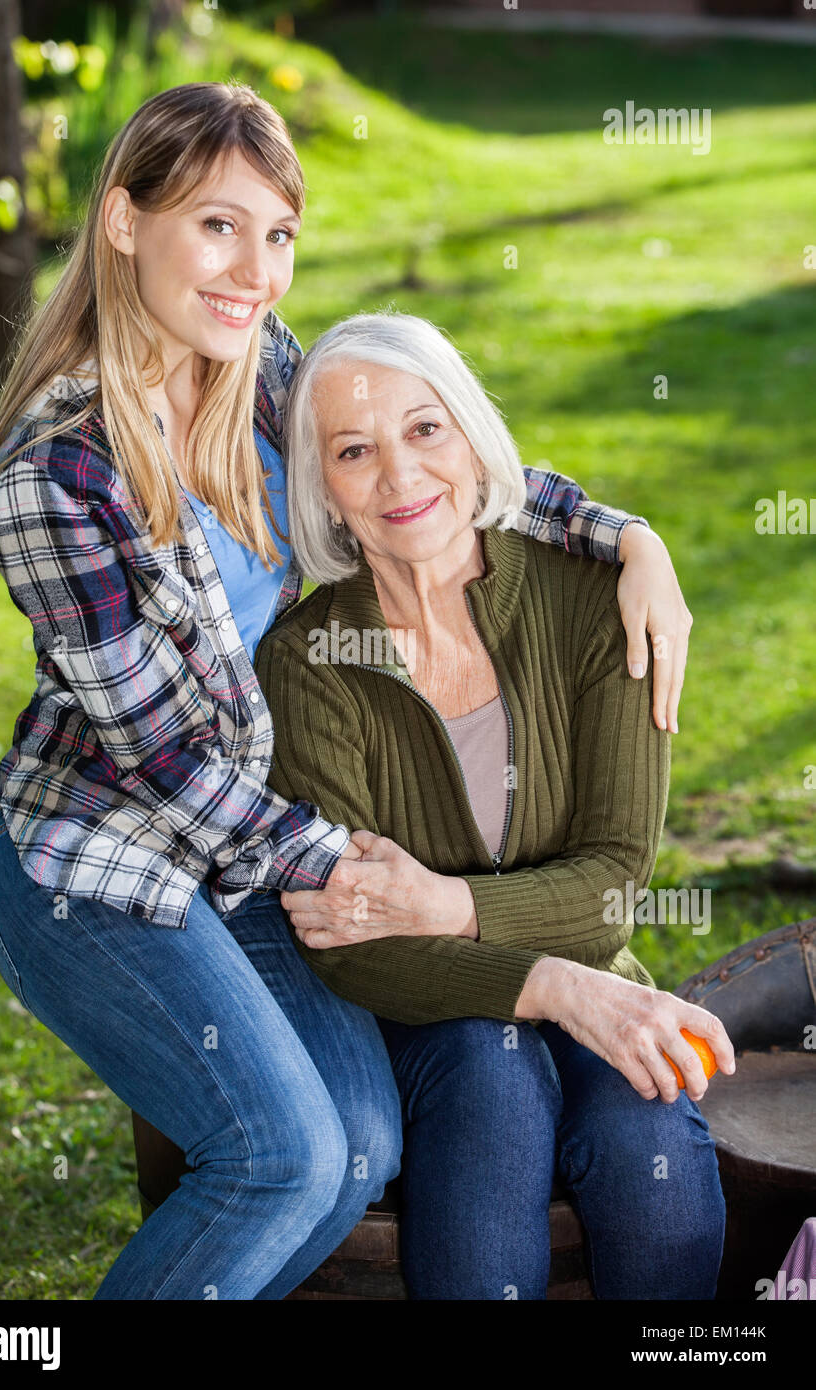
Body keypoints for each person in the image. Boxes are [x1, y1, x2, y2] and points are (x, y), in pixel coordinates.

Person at [0, 83, 692, 1300]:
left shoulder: (260, 370)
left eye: (279, 235)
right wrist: (381, 882)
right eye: (217, 226)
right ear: (120, 221)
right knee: (289, 1156)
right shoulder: (57, 472)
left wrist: (630, 540)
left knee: (363, 1144)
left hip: (253, 852)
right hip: (105, 859)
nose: (255, 270)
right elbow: (166, 767)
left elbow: (436, 457)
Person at [254, 310, 734, 1300]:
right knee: (490, 1087)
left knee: (651, 1141)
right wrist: (553, 986)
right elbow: (351, 936)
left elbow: (614, 883)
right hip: (423, 1007)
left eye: (425, 429)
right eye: (354, 450)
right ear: (324, 492)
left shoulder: (597, 600)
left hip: (599, 964)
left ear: (471, 438)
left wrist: (446, 904)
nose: (398, 475)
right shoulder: (307, 662)